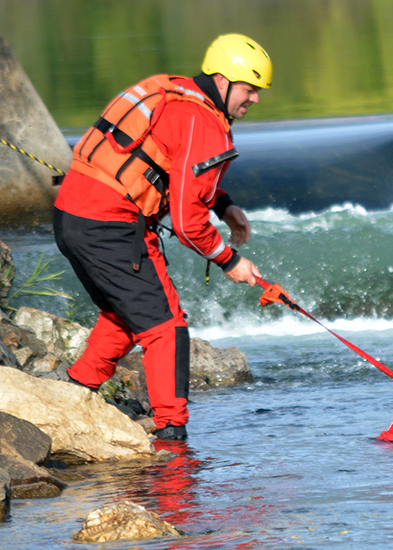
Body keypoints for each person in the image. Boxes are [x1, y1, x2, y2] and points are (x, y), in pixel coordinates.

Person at [52, 34, 272, 441]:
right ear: (222, 81)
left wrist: (224, 206)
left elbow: (175, 169)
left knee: (126, 310)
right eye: (249, 88)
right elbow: (188, 223)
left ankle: (76, 391)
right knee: (166, 327)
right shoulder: (201, 120)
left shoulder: (175, 92)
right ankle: (173, 438)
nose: (255, 98)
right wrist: (230, 260)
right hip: (110, 223)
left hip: (72, 214)